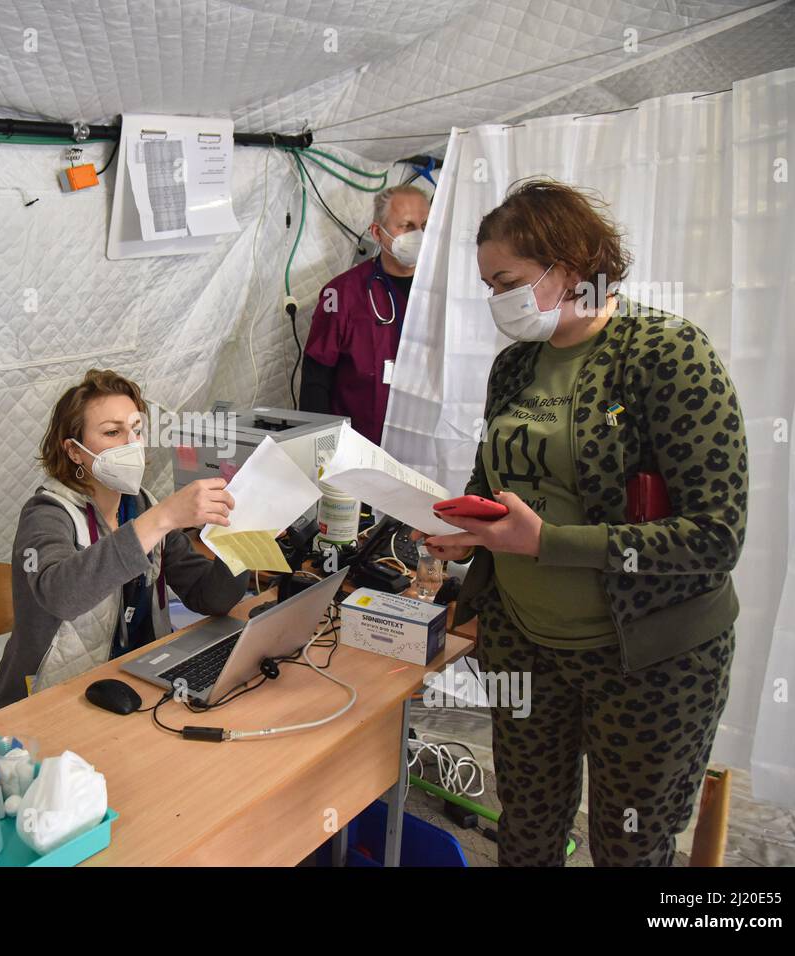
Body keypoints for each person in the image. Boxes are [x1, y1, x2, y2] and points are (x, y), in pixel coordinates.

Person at [418, 178, 747, 866]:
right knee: (528, 833)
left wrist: (549, 544)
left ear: (568, 266)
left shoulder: (667, 355)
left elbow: (716, 537)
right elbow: (496, 487)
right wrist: (465, 529)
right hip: (528, 651)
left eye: (505, 280)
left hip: (646, 662)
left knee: (629, 847)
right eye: (487, 283)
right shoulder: (515, 368)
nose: (495, 300)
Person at [0, 369, 250, 712]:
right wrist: (163, 518)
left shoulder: (141, 505)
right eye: (113, 432)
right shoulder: (46, 514)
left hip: (139, 685)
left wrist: (241, 541)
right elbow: (62, 596)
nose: (131, 444)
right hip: (51, 701)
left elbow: (208, 597)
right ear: (74, 451)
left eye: (137, 430)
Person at [300, 184, 430, 443]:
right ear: (377, 233)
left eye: (425, 226)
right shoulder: (342, 293)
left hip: (422, 442)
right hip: (360, 443)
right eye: (406, 225)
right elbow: (316, 379)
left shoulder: (442, 292)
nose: (418, 235)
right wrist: (320, 447)